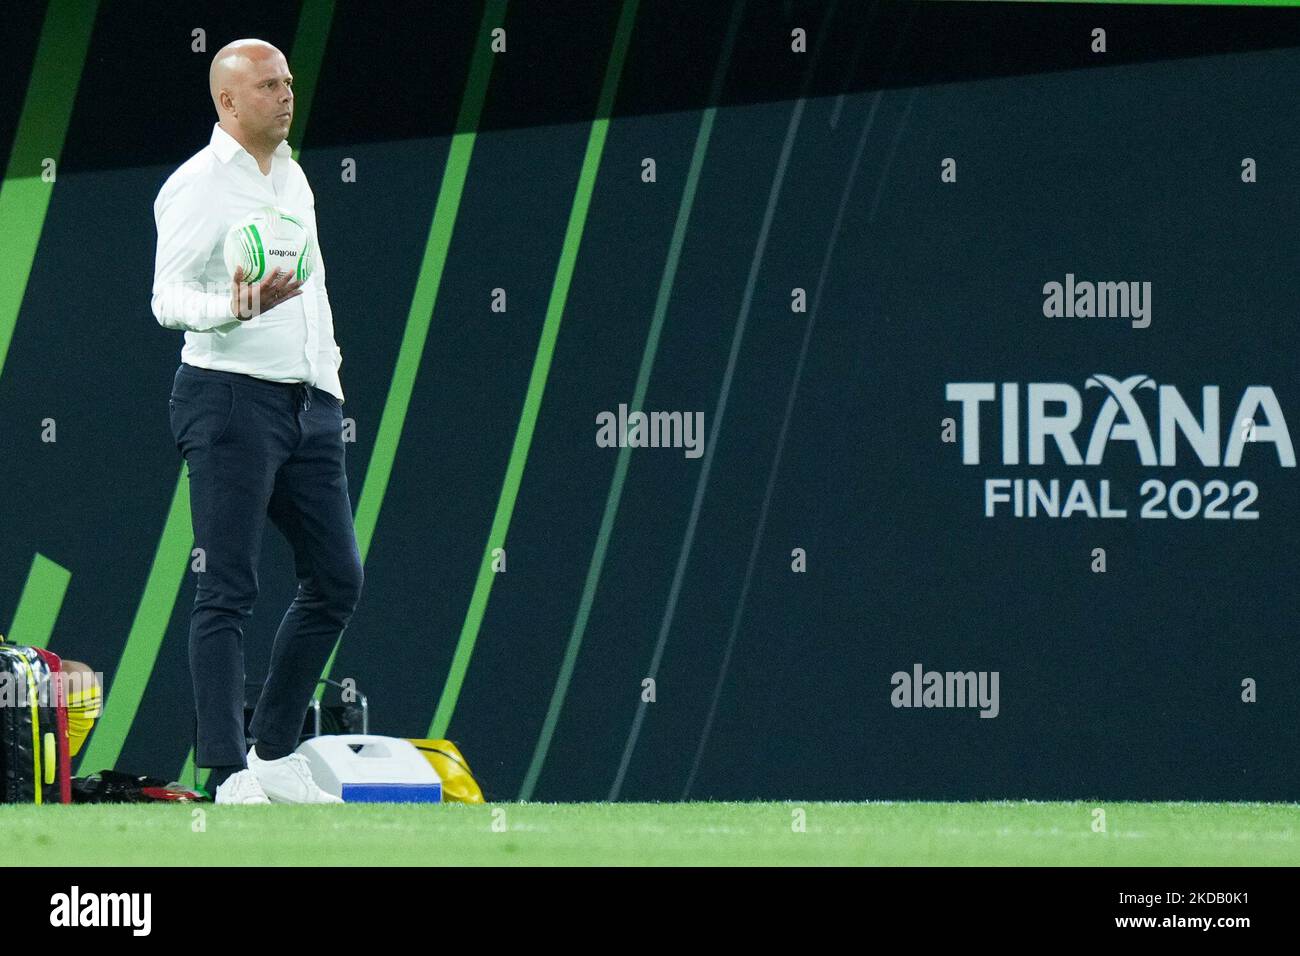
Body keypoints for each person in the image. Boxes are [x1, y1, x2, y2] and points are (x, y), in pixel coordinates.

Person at [151, 38, 362, 804]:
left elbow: (312, 291)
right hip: (229, 399)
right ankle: (226, 769)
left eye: (288, 82)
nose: (285, 94)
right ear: (228, 102)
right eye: (268, 85)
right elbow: (166, 297)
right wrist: (230, 308)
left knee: (338, 579)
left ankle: (272, 752)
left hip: (310, 404)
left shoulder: (296, 177)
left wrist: (328, 378)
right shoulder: (196, 187)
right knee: (227, 588)